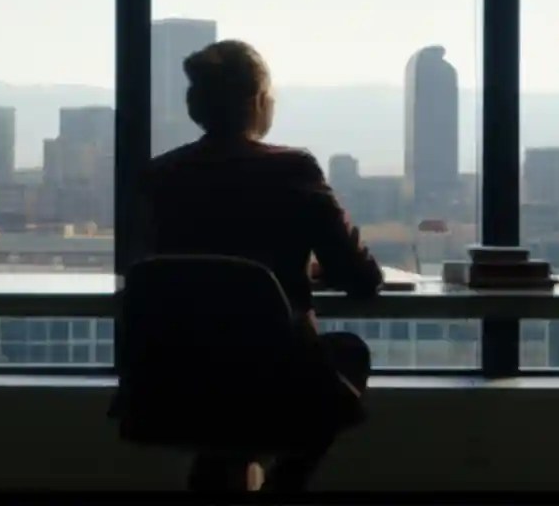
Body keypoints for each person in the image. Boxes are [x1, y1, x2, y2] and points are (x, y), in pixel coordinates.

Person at [140, 39, 384, 492]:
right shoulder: (292, 169)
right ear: (257, 101)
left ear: (196, 105)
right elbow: (361, 278)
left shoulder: (160, 176)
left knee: (222, 444)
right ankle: (280, 489)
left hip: (180, 376)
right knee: (348, 354)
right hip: (275, 375)